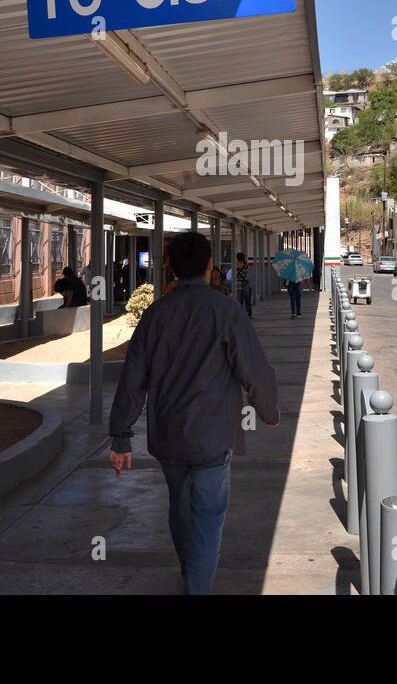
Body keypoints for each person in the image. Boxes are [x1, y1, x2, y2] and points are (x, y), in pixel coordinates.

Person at [108, 232, 279, 595]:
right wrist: (268, 411)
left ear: (170, 267)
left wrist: (121, 436)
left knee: (180, 510)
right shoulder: (226, 310)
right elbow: (255, 369)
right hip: (213, 437)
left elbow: (132, 379)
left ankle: (191, 572)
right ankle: (196, 582)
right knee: (207, 521)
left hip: (168, 436)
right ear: (209, 267)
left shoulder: (154, 315)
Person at [235, 252, 253, 319]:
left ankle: (241, 314)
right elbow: (247, 274)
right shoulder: (245, 265)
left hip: (238, 284)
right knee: (247, 300)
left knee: (240, 300)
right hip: (245, 283)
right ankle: (249, 314)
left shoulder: (236, 265)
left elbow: (234, 274)